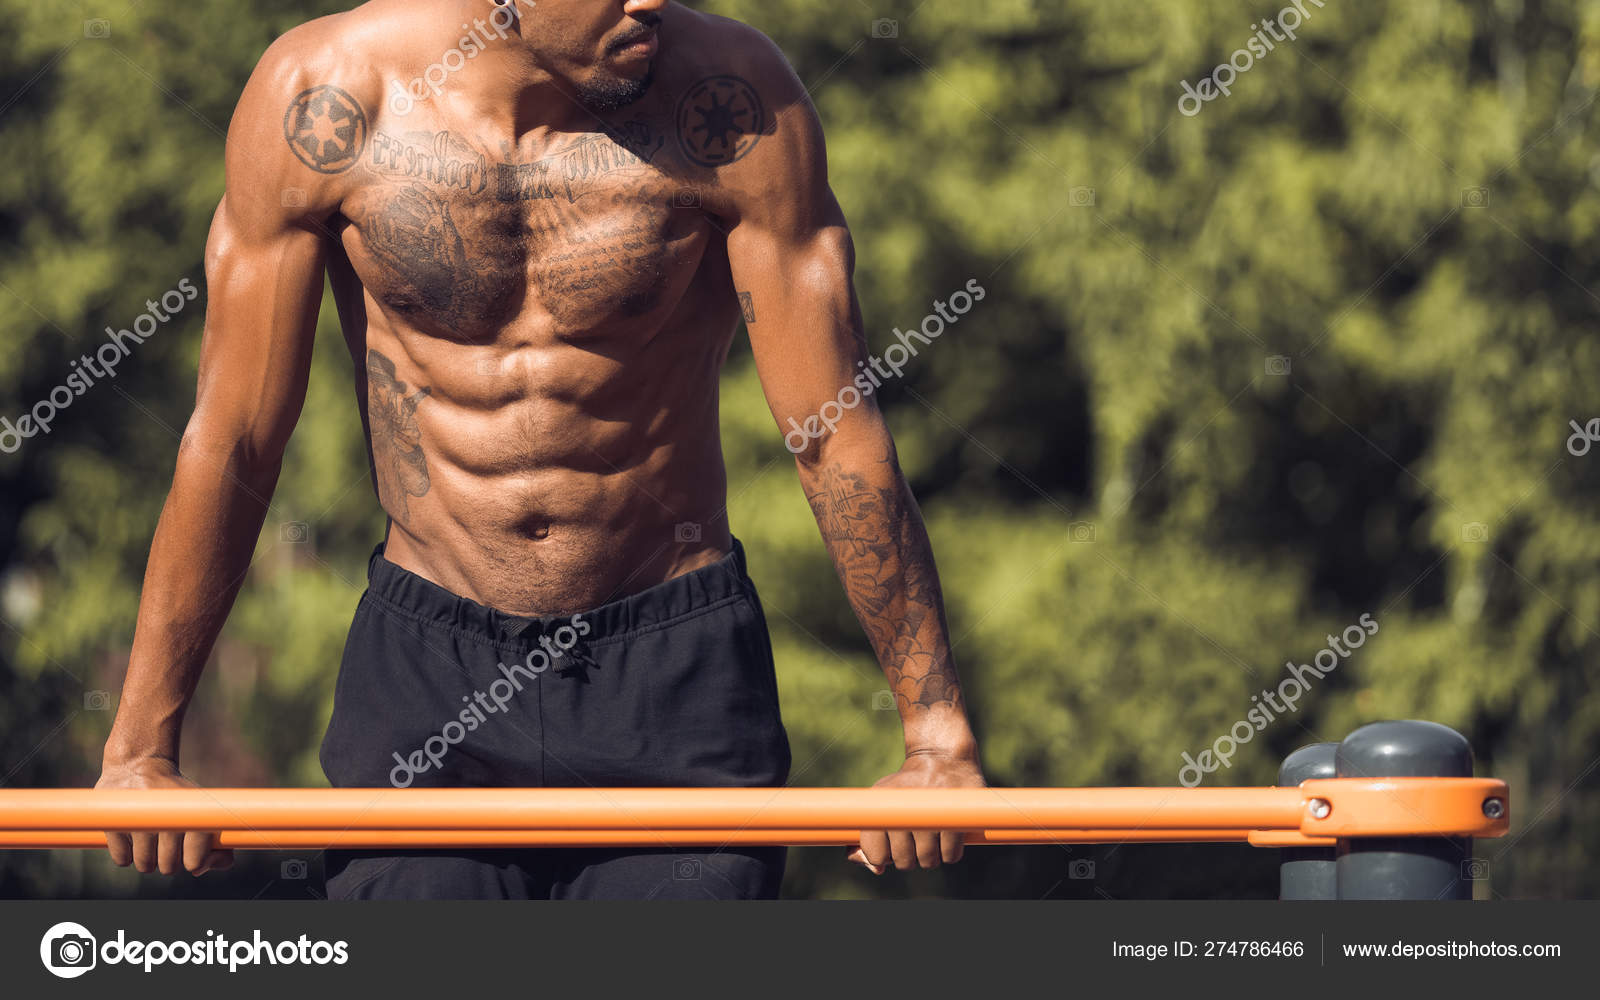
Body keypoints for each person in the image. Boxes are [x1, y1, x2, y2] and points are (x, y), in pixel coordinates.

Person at [95, 0, 985, 899]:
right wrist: (140, 749)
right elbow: (237, 437)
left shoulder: (730, 101)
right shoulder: (327, 97)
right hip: (428, 671)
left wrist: (934, 734)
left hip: (672, 665)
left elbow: (832, 432)